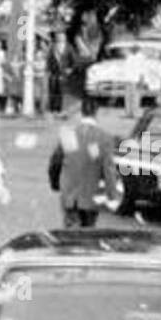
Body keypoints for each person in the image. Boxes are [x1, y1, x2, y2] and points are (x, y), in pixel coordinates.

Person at [48, 97, 120, 228]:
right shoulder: (104, 138)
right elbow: (108, 170)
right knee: (87, 236)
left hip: (70, 195)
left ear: (81, 113)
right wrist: (112, 196)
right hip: (91, 197)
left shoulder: (69, 134)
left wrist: (56, 184)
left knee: (70, 235)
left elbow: (55, 163)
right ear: (96, 113)